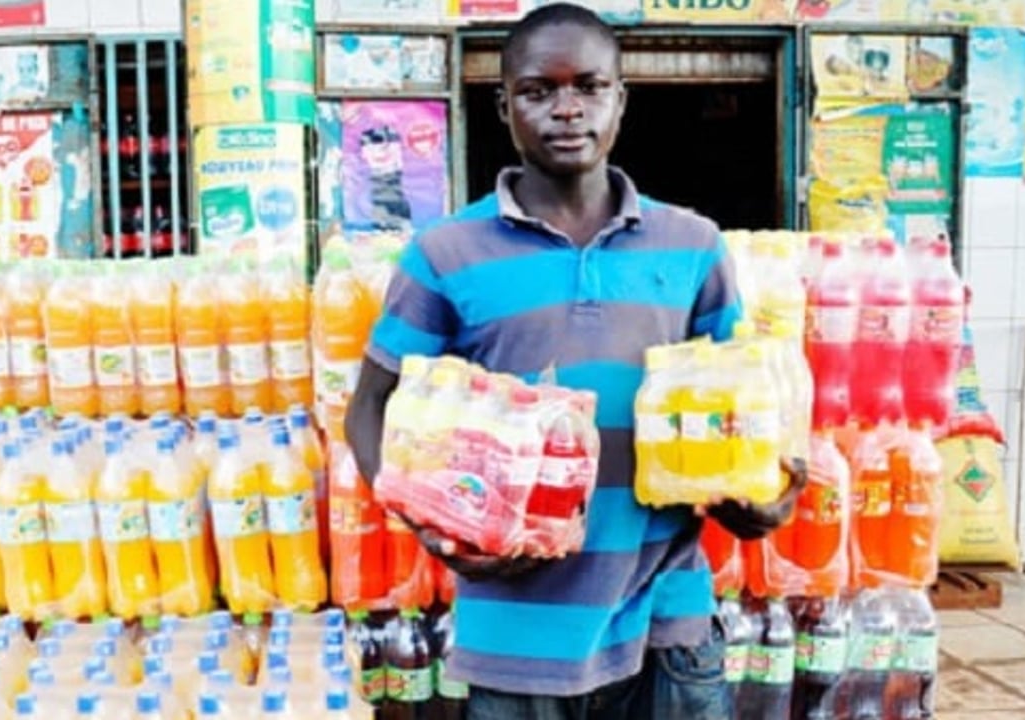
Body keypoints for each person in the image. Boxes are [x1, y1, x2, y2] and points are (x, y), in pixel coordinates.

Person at [344, 4, 805, 719]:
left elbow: (742, 406)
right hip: (515, 632)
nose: (567, 109)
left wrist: (768, 493)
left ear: (621, 99)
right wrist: (429, 523)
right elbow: (369, 404)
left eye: (589, 87)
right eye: (538, 90)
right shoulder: (445, 253)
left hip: (668, 627)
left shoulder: (692, 246)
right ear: (504, 106)